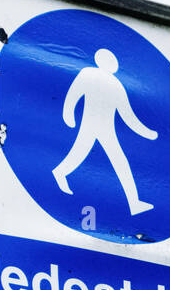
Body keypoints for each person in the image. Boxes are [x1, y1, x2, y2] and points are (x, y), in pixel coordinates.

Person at [52, 48, 158, 215]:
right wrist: (68, 115)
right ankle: (59, 173)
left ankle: (134, 203)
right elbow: (74, 94)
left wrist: (147, 133)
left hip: (106, 130)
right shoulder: (88, 73)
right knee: (83, 155)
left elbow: (128, 115)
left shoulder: (117, 84)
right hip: (90, 125)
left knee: (115, 161)